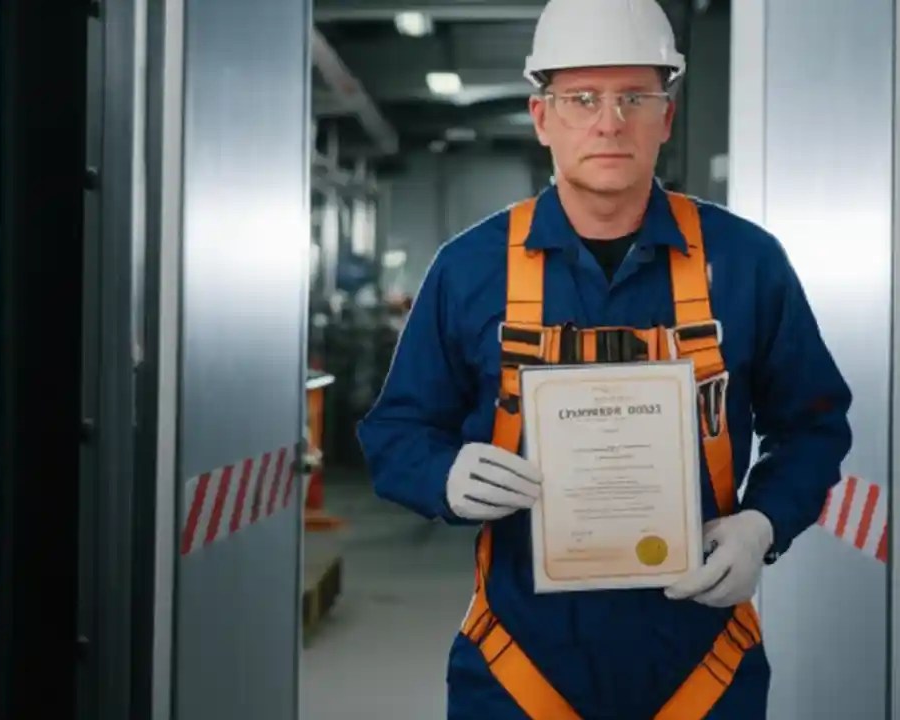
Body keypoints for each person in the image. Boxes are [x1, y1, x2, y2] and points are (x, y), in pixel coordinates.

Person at [357, 0, 853, 716]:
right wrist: (444, 474)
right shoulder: (470, 271)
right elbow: (394, 434)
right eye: (582, 98)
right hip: (519, 668)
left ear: (667, 118)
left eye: (635, 98)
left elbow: (814, 424)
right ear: (541, 116)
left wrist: (762, 523)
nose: (609, 121)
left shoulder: (745, 265)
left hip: (704, 664)